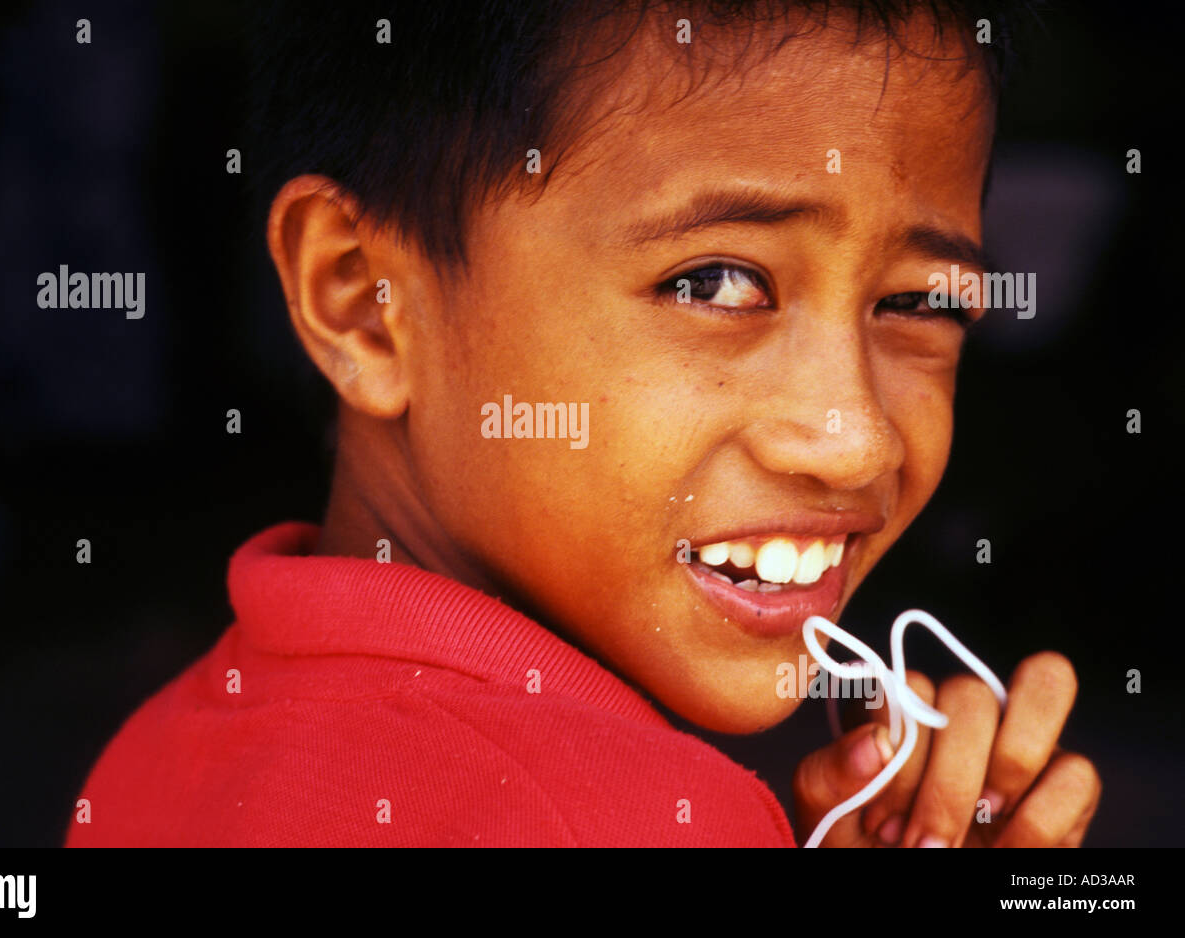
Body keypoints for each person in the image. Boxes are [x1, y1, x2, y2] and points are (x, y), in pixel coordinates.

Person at [67, 0, 1099, 847]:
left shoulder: (145, 761)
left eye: (919, 303)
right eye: (715, 280)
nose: (856, 439)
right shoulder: (626, 817)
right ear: (365, 298)